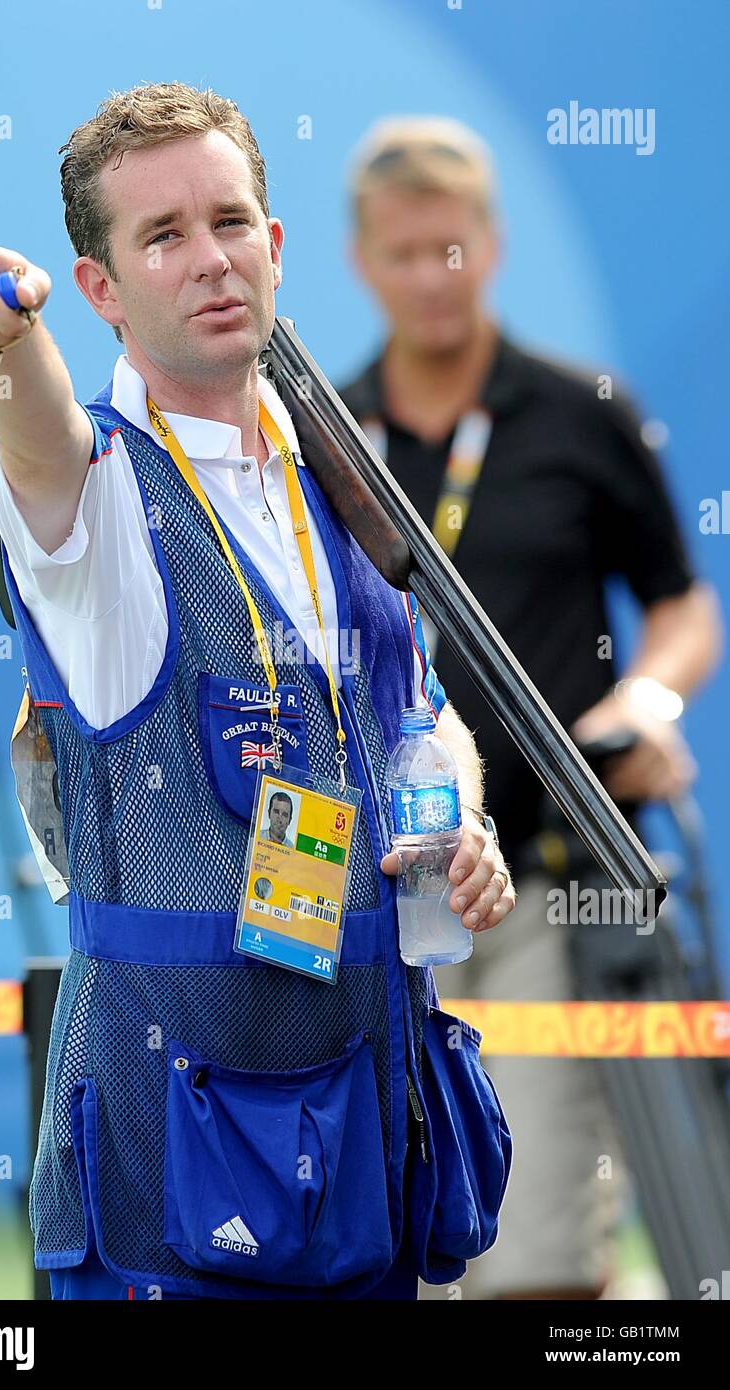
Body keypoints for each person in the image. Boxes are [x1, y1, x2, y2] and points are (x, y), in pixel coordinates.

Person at [0, 84, 516, 1302]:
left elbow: (411, 711)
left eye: (230, 222)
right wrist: (2, 340)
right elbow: (34, 439)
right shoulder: (91, 495)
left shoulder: (340, 475)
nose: (209, 260)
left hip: (369, 1150)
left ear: (276, 244)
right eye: (161, 238)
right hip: (174, 1179)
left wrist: (462, 817)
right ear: (98, 289)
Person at [338, 116, 722, 1301]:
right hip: (385, 888)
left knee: (542, 1250)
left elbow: (679, 600)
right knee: (402, 1247)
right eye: (404, 254)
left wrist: (647, 702)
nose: (430, 278)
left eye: (451, 249)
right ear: (360, 261)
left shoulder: (578, 409)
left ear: (493, 245)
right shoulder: (325, 432)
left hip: (553, 879)